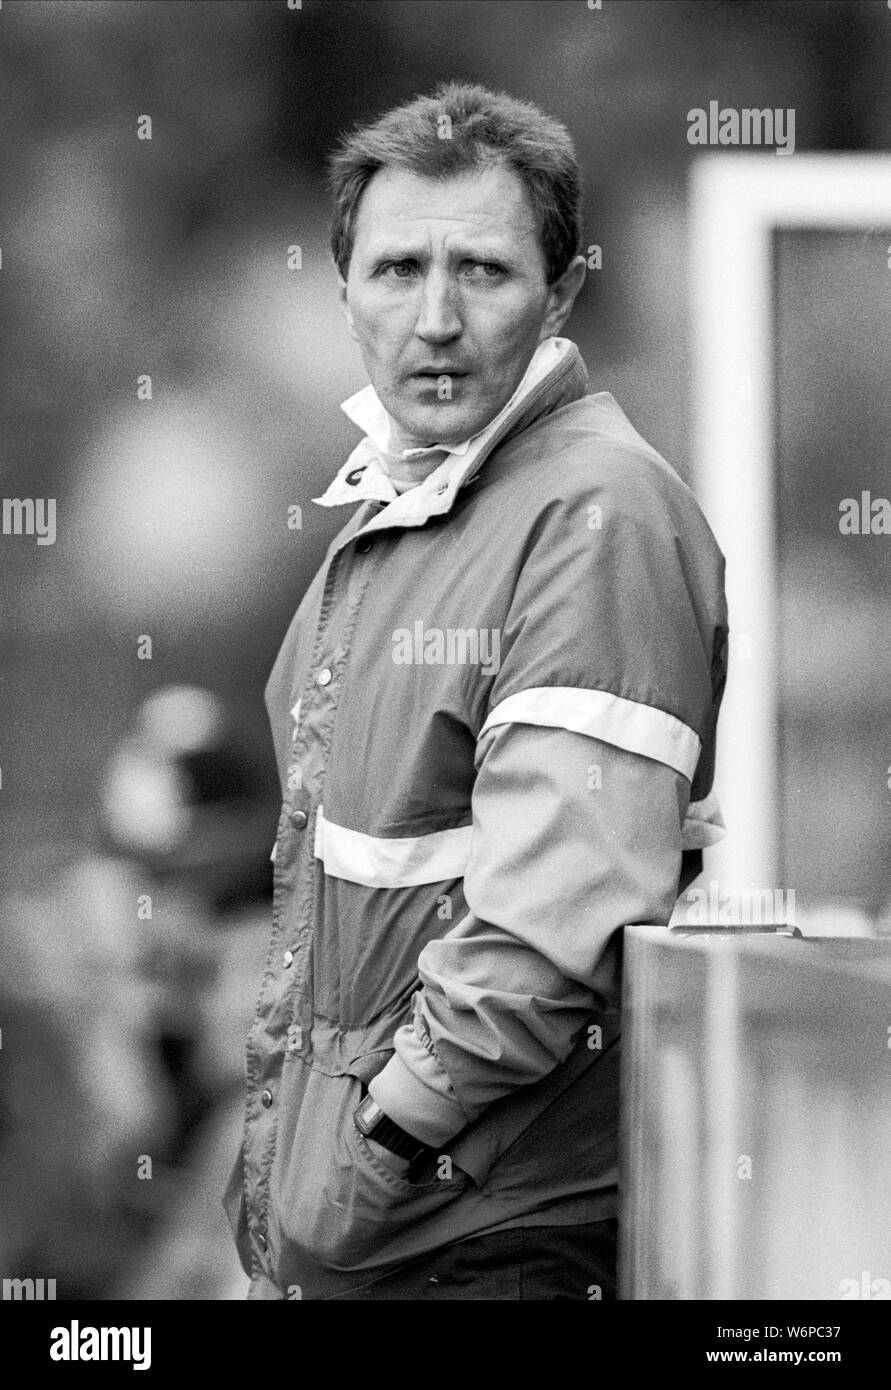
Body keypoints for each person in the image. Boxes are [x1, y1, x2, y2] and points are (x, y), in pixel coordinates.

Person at [223, 81, 728, 1300]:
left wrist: (381, 1141)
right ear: (343, 293)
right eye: (397, 270)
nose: (435, 318)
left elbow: (550, 921)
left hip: (484, 1241)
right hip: (387, 1238)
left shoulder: (594, 511)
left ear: (559, 293)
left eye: (484, 272)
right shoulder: (417, 506)